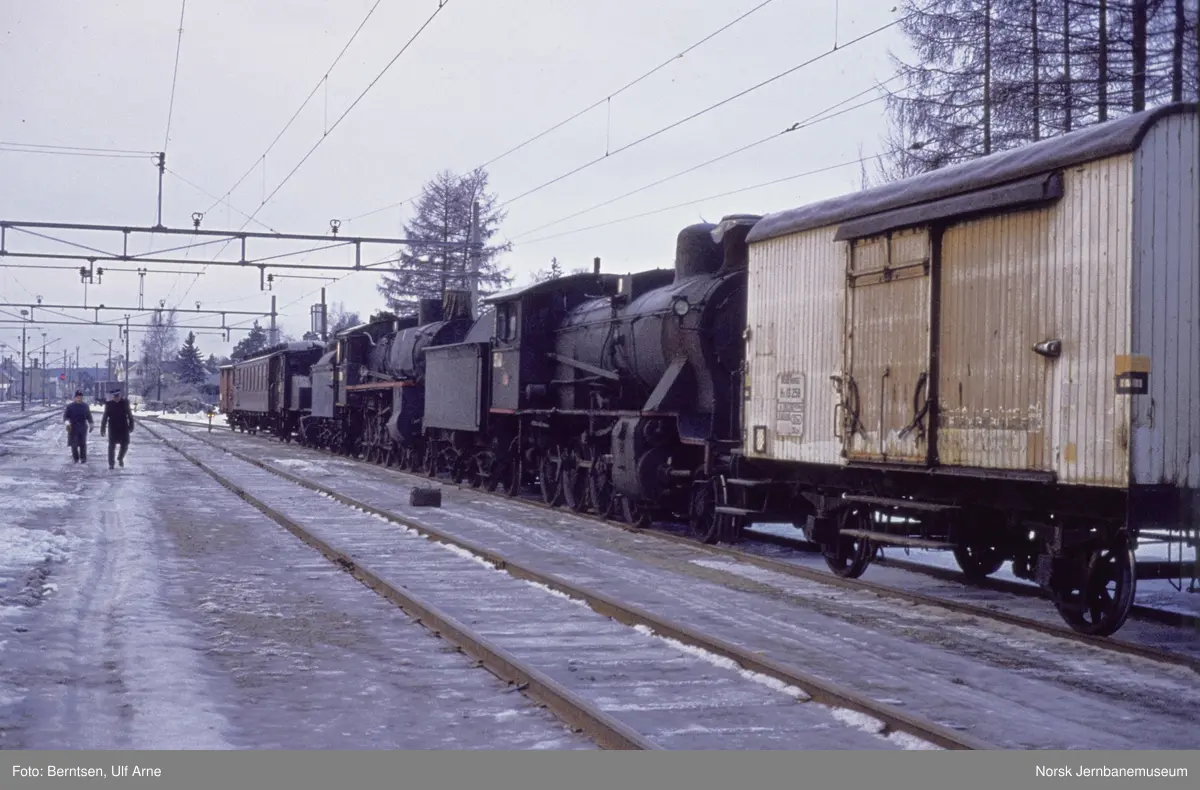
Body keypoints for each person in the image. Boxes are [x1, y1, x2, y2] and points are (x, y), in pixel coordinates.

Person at [100, 388, 135, 469]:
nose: (116, 398)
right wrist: (103, 428)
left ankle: (120, 458)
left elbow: (129, 415)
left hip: (124, 428)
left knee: (125, 445)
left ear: (120, 395)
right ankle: (111, 463)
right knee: (111, 446)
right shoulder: (109, 404)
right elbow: (105, 417)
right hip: (113, 428)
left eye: (118, 396)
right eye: (115, 396)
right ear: (112, 397)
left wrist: (131, 425)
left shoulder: (125, 403)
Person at [63, 390, 94, 464]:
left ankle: (83, 458)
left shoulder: (85, 406)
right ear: (75, 398)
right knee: (74, 444)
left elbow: (89, 416)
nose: (79, 399)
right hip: (73, 428)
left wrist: (91, 423)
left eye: (80, 397)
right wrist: (67, 423)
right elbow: (65, 416)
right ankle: (76, 458)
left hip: (82, 427)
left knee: (83, 444)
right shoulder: (70, 407)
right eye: (77, 397)